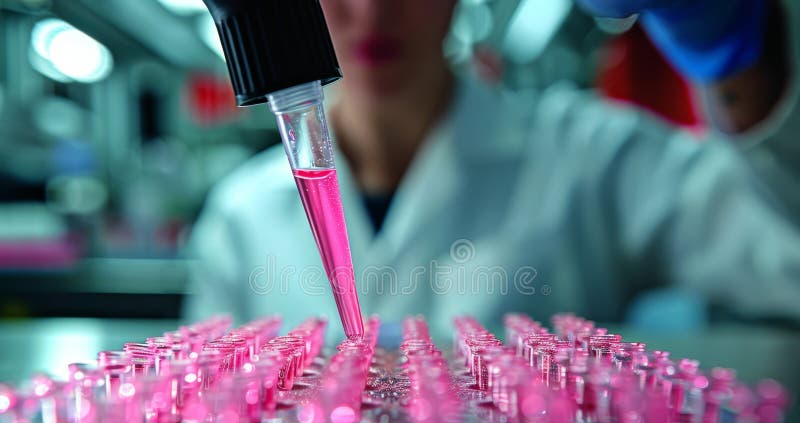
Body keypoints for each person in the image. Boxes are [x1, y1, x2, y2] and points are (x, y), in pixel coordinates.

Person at [185, 0, 800, 340]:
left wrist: (735, 54)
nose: (372, 10)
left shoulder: (593, 157)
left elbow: (785, 258)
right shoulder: (241, 216)